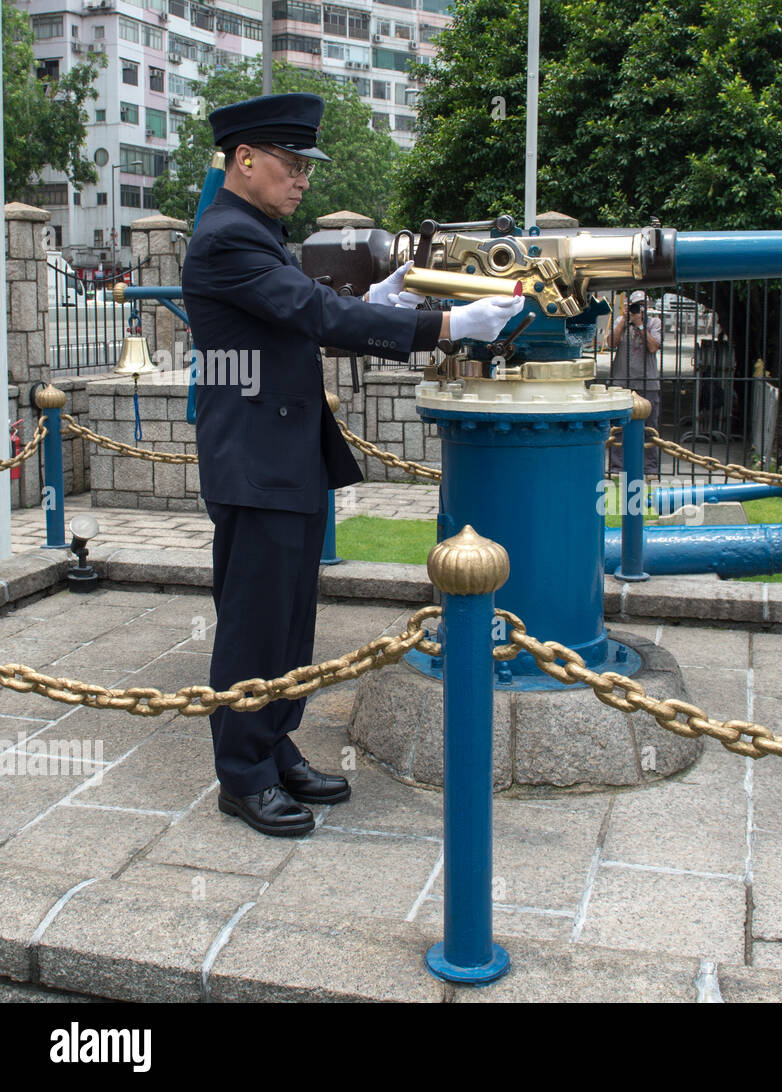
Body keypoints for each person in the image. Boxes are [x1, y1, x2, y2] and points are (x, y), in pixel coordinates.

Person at [181, 93, 522, 837]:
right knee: (253, 625)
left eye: (306, 166)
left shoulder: (257, 232)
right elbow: (313, 314)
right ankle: (241, 776)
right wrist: (443, 325)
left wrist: (376, 297)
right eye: (291, 163)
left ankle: (274, 744)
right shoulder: (227, 238)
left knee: (291, 620)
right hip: (255, 459)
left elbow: (295, 317)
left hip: (282, 454)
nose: (303, 178)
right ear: (245, 160)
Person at [606, 289, 662, 475]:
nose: (639, 309)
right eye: (636, 305)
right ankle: (617, 467)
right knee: (618, 427)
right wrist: (623, 321)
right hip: (622, 381)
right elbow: (611, 343)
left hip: (648, 382)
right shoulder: (621, 323)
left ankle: (649, 468)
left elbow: (653, 347)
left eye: (642, 305)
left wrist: (639, 325)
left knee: (649, 428)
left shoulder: (654, 323)